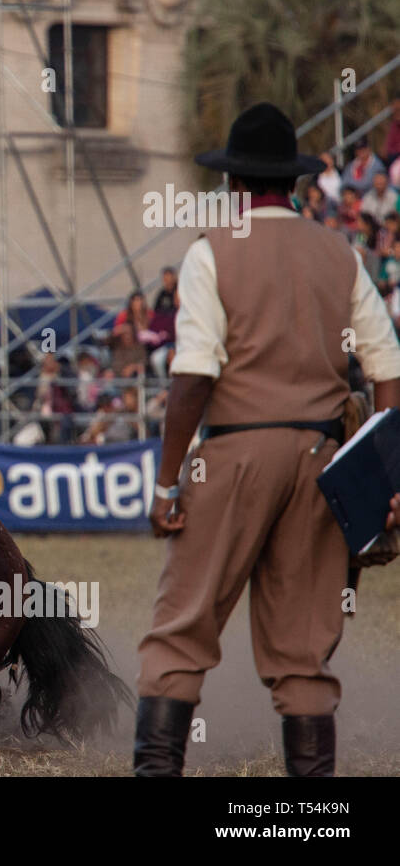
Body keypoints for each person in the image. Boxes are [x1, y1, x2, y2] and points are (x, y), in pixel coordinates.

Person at [135, 103, 400, 777]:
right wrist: (382, 473)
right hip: (320, 462)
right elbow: (388, 367)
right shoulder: (337, 251)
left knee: (180, 631)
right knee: (304, 652)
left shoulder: (211, 252)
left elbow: (194, 373)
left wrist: (168, 483)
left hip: (233, 456)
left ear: (234, 184)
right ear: (293, 181)